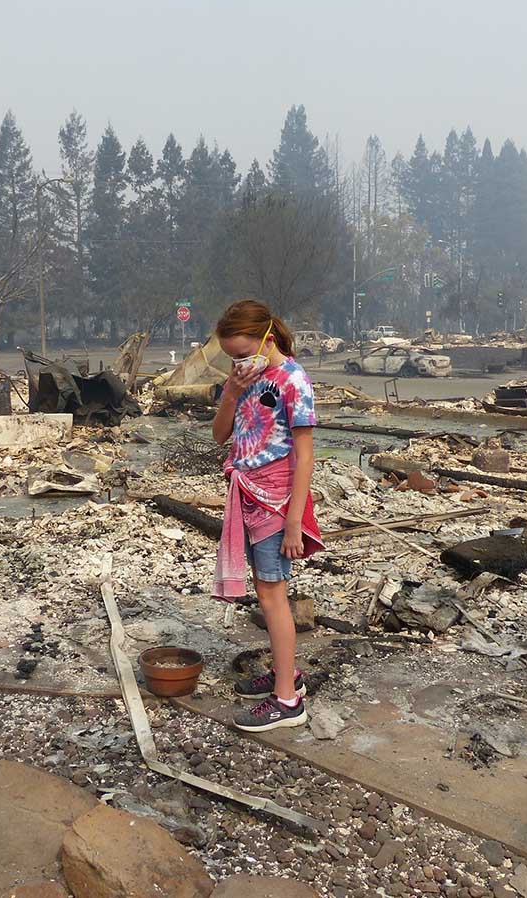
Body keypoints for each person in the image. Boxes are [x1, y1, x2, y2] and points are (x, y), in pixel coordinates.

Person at [212, 300, 324, 733]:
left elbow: (306, 454)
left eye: (243, 353)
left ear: (267, 339)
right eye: (232, 357)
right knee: (266, 592)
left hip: (277, 502)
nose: (239, 362)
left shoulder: (293, 380)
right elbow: (220, 435)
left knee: (274, 597)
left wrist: (295, 520)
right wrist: (233, 390)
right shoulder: (246, 380)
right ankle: (285, 674)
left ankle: (287, 701)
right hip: (250, 496)